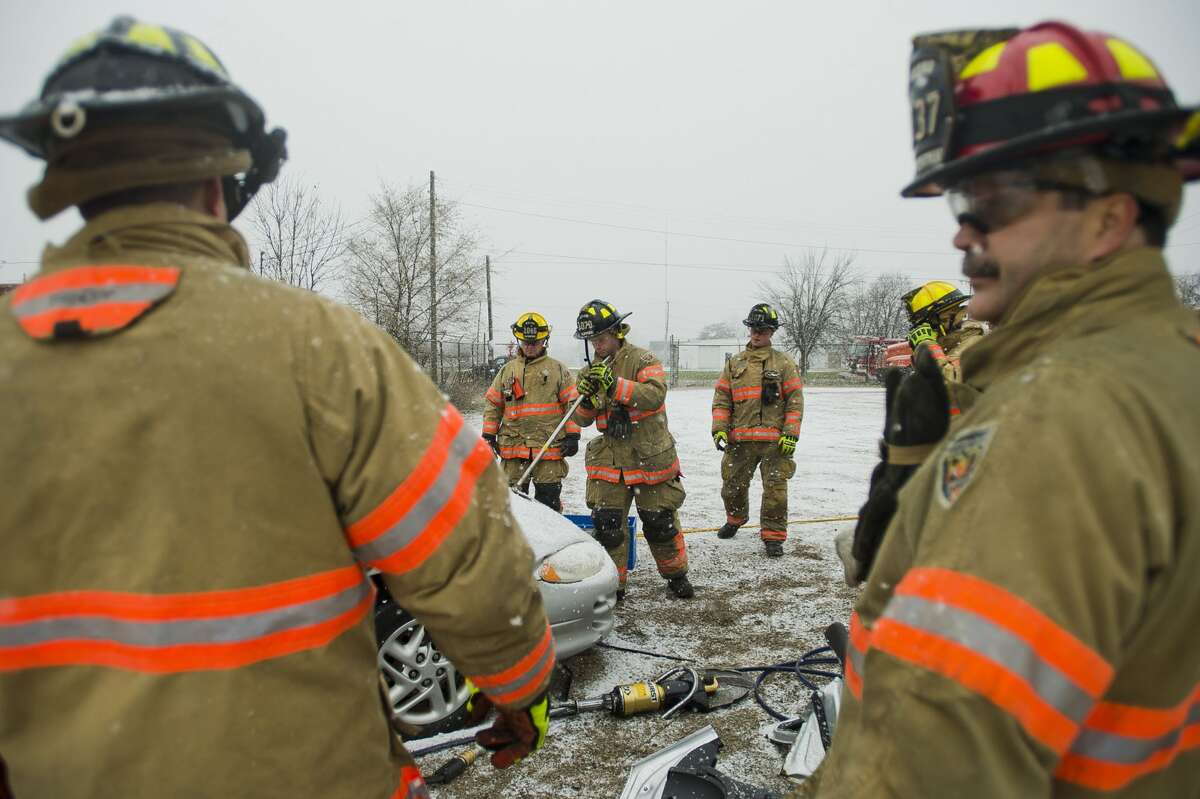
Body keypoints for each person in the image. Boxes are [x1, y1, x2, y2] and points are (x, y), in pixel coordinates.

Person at [0, 18, 552, 798]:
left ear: (71, 179)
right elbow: (468, 554)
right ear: (219, 177)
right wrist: (519, 687)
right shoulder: (321, 349)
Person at [802, 21, 1200, 797]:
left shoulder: (1062, 418)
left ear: (1108, 218)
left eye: (995, 199)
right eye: (962, 197)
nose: (962, 231)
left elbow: (925, 763)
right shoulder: (1173, 363)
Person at [570, 299, 694, 599]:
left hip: (649, 456)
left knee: (659, 523)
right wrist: (586, 399)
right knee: (608, 527)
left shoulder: (643, 359)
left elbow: (654, 395)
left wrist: (615, 386)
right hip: (610, 461)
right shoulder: (589, 371)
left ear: (617, 332)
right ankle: (614, 586)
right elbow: (582, 419)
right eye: (591, 341)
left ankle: (676, 575)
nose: (596, 346)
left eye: (600, 338)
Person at [710, 303, 804, 557]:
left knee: (775, 490)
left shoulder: (784, 363)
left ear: (771, 332)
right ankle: (735, 519)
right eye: (753, 327)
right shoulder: (735, 363)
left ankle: (773, 536)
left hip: (775, 441)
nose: (757, 333)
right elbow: (722, 399)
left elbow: (795, 401)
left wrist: (790, 433)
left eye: (762, 329)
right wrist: (719, 429)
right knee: (732, 486)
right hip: (739, 440)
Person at [482, 311, 581, 511]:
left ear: (544, 340)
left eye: (535, 342)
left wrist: (573, 435)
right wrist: (488, 435)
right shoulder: (507, 371)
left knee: (548, 503)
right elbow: (493, 404)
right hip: (513, 449)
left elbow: (573, 404)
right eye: (525, 342)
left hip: (548, 449)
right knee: (513, 508)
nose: (529, 346)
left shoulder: (558, 370)